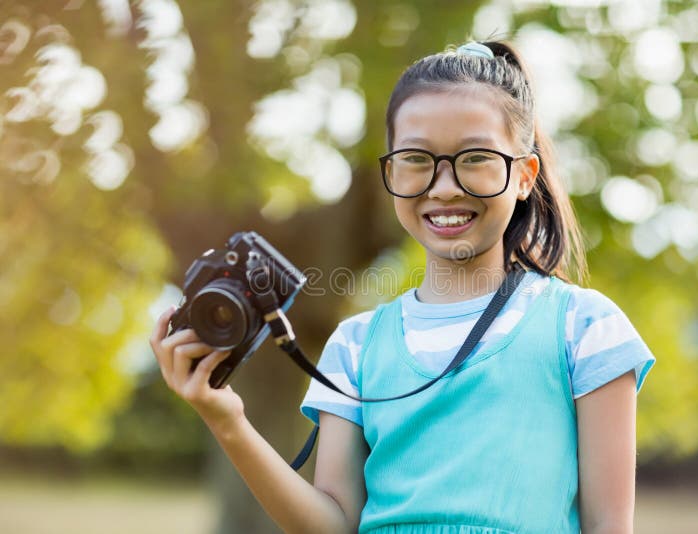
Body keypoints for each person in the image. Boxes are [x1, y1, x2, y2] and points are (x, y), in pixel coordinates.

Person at [150, 40, 655, 534]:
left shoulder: (585, 328)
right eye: (416, 159)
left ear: (524, 176)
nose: (443, 186)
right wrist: (227, 421)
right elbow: (332, 524)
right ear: (389, 171)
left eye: (475, 157)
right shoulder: (355, 345)